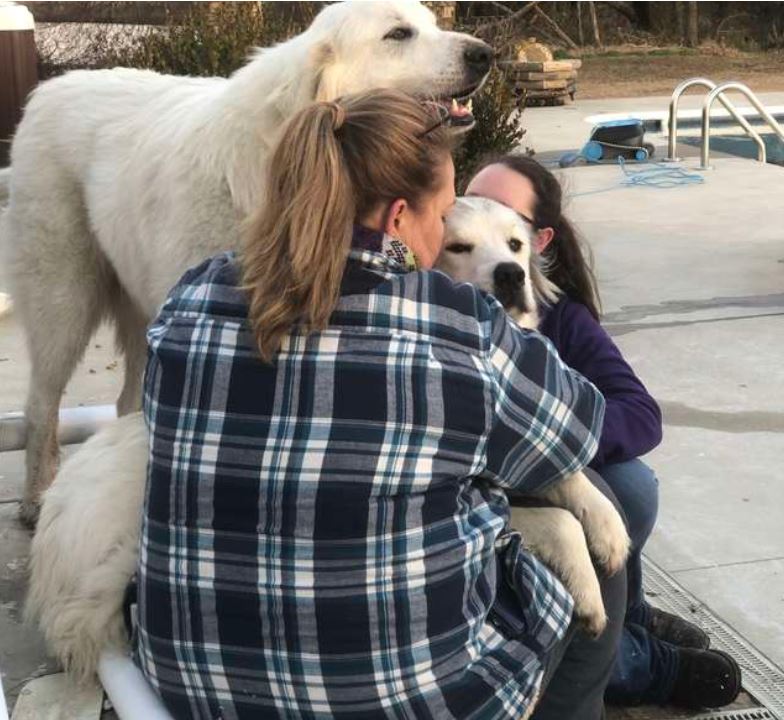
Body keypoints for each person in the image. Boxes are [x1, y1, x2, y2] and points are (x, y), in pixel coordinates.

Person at [133, 89, 623, 720]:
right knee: (588, 558)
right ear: (399, 220)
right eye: (445, 217)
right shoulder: (458, 328)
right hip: (400, 701)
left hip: (192, 689)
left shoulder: (190, 301)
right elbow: (579, 431)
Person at [466, 154, 742, 710]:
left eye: (509, 230)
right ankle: (635, 662)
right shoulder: (419, 321)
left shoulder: (558, 316)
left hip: (532, 502)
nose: (491, 245)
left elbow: (640, 413)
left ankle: (628, 622)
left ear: (539, 242)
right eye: (467, 218)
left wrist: (548, 441)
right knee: (603, 497)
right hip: (478, 533)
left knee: (624, 486)